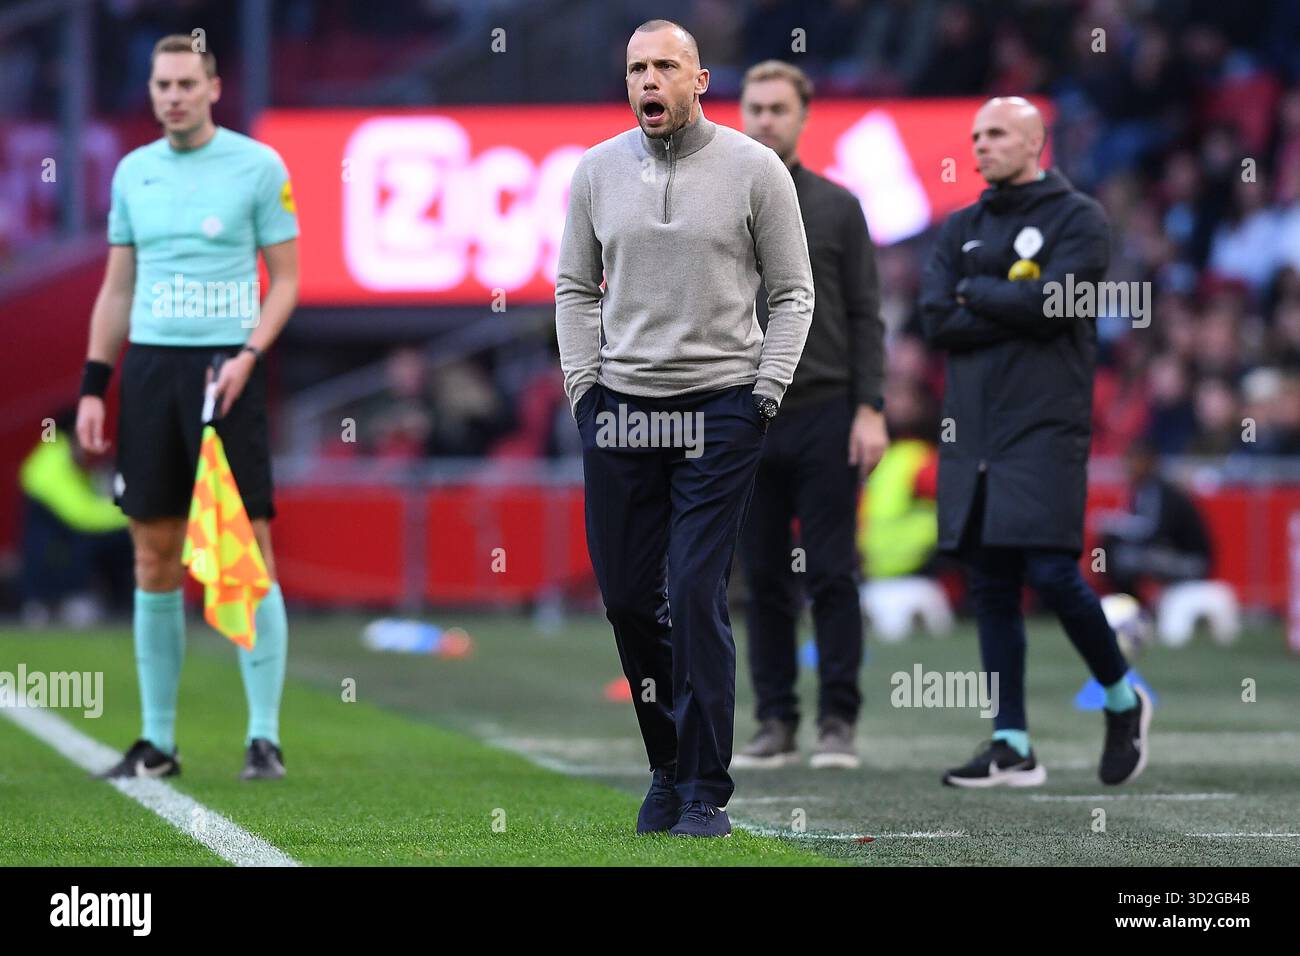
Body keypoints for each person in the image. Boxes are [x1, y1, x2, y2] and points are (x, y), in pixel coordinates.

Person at [555, 19, 813, 836]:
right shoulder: (595, 172)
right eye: (636, 68)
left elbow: (793, 292)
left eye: (666, 66)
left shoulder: (755, 168)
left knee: (697, 592)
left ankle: (704, 787)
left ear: (700, 80)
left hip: (720, 407)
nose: (649, 80)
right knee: (629, 601)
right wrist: (584, 391)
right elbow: (571, 287)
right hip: (621, 411)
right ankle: (666, 764)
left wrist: (763, 393)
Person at [75, 35, 299, 781]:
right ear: (152, 90)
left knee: (250, 551)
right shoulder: (133, 173)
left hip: (225, 370)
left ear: (212, 86)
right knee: (154, 553)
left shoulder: (258, 166)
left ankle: (263, 738)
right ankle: (158, 742)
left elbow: (288, 280)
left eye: (184, 82)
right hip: (149, 374)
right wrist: (91, 384)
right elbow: (115, 289)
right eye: (160, 83)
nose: (171, 95)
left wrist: (248, 355)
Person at [919, 96, 1151, 788]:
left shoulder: (1078, 218)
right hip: (974, 431)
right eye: (976, 135)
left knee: (1051, 572)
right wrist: (1004, 302)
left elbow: (1056, 306)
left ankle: (1120, 698)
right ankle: (1011, 743)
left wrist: (975, 295)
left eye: (995, 134)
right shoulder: (960, 224)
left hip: (1045, 427)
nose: (980, 145)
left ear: (1033, 142)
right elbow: (935, 319)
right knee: (990, 587)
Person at [732, 60, 886, 771]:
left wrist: (870, 408)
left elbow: (865, 316)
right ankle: (775, 721)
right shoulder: (718, 200)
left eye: (777, 108)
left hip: (825, 409)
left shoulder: (837, 206)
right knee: (762, 578)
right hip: (742, 411)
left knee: (830, 573)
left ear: (802, 117)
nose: (765, 119)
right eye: (755, 108)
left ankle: (838, 723)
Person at [19, 408, 133, 627]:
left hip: (58, 547)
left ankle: (119, 598)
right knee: (113, 538)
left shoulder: (65, 459)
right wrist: (133, 512)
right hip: (52, 561)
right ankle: (64, 598)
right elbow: (83, 516)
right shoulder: (52, 464)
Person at [1097, 440, 1213, 599]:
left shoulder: (1162, 491)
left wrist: (1115, 525)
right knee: (1111, 547)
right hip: (1166, 553)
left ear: (1150, 462)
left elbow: (1153, 531)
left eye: (1134, 460)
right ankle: (1130, 602)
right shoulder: (1141, 490)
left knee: (1124, 558)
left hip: (1191, 562)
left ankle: (1135, 604)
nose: (1129, 467)